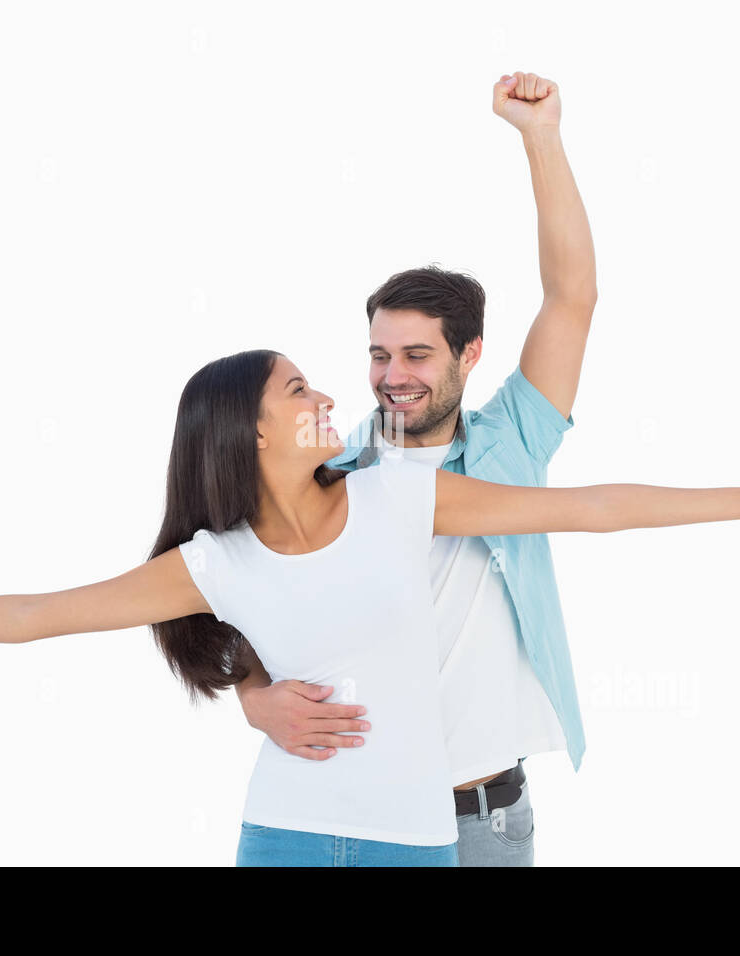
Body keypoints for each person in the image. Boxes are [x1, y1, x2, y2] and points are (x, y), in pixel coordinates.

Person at [0, 350, 740, 867]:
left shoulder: (397, 491)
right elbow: (35, 613)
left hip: (414, 838)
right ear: (246, 432)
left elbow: (584, 506)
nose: (329, 399)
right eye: (299, 392)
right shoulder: (216, 562)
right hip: (282, 832)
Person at [234, 69, 600, 865]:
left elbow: (571, 297)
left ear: (470, 354)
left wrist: (541, 138)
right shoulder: (329, 467)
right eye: (378, 354)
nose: (392, 375)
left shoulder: (512, 445)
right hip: (353, 813)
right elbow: (232, 590)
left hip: (482, 820)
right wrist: (255, 699)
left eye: (416, 355)